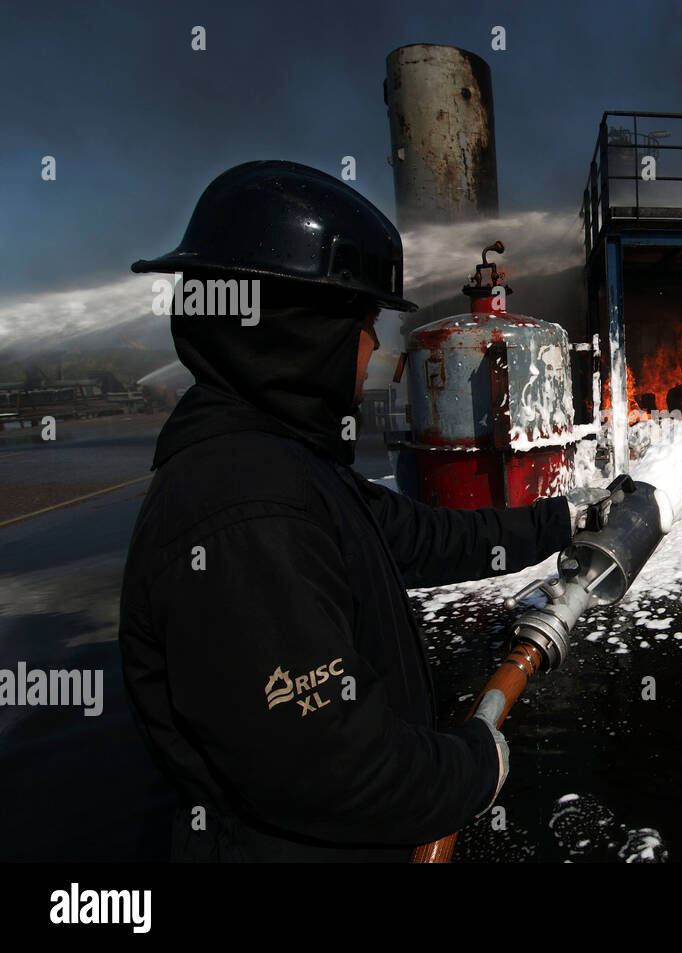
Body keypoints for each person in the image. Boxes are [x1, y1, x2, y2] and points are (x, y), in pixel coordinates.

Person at [120, 160, 611, 861]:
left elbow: (420, 534)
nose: (377, 344)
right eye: (363, 321)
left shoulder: (289, 466)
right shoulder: (245, 512)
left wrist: (563, 520)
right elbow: (333, 766)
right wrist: (473, 766)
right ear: (306, 330)